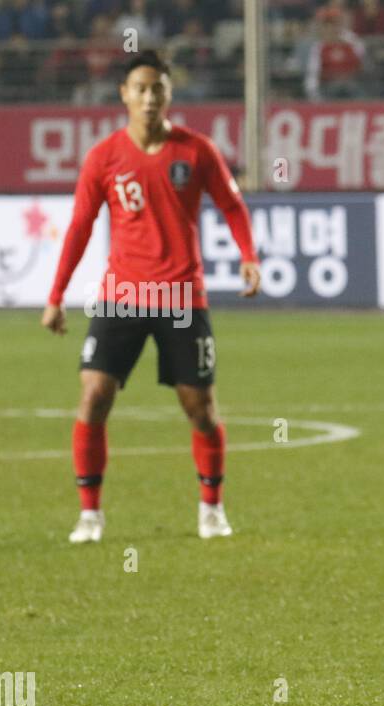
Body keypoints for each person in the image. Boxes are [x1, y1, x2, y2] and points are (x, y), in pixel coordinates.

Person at [42, 50, 261, 543]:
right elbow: (79, 227)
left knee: (200, 407)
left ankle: (211, 508)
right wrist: (56, 295)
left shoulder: (196, 150)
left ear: (168, 94)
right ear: (124, 95)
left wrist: (250, 255)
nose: (148, 98)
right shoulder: (103, 157)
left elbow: (232, 204)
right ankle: (90, 514)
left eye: (157, 89)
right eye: (139, 88)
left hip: (183, 297)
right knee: (94, 395)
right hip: (121, 296)